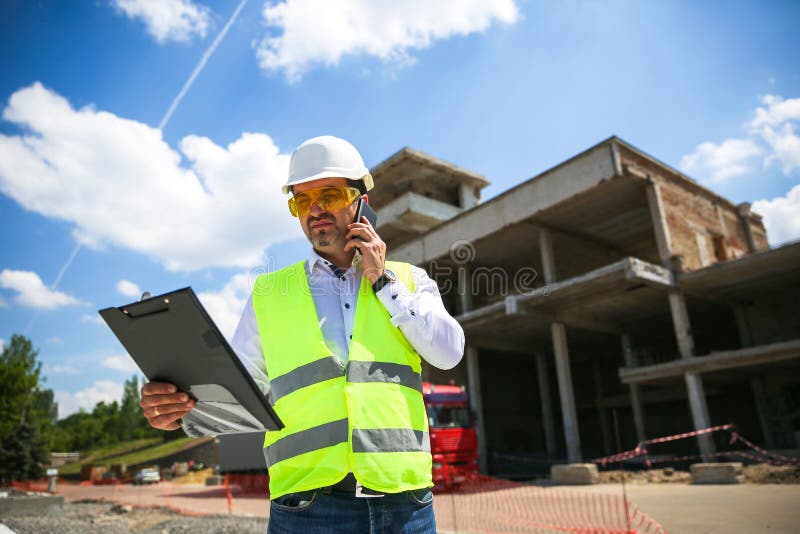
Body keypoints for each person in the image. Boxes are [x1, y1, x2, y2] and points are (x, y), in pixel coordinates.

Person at [139, 135, 465, 533]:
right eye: (302, 200)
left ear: (361, 201)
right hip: (308, 509)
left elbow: (448, 354)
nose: (315, 210)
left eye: (329, 195)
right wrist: (174, 415)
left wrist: (386, 285)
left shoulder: (409, 282)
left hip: (405, 505)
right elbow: (241, 392)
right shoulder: (269, 294)